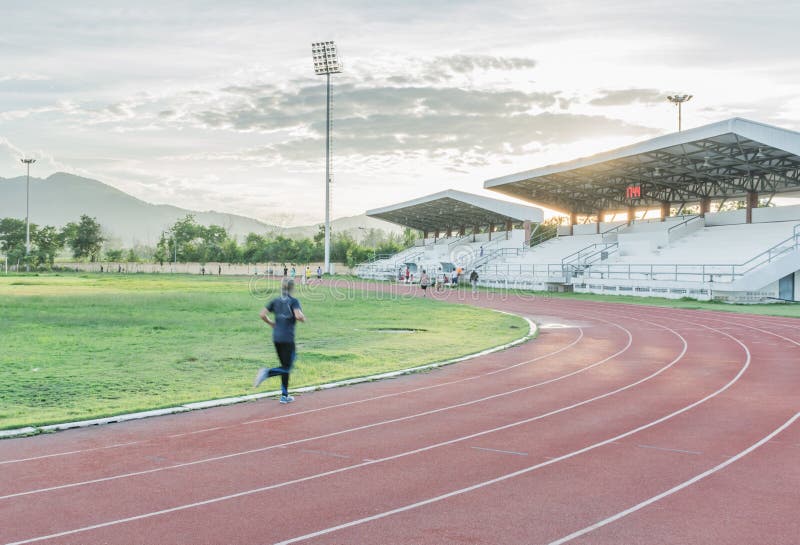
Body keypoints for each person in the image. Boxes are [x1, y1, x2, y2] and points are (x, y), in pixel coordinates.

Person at [253, 278, 306, 403]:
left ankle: (284, 396)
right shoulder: (294, 301)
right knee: (288, 367)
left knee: (284, 367)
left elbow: (262, 314)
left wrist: (271, 323)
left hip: (276, 338)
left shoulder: (275, 301)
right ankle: (267, 373)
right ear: (292, 288)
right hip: (287, 339)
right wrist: (303, 318)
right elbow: (298, 316)